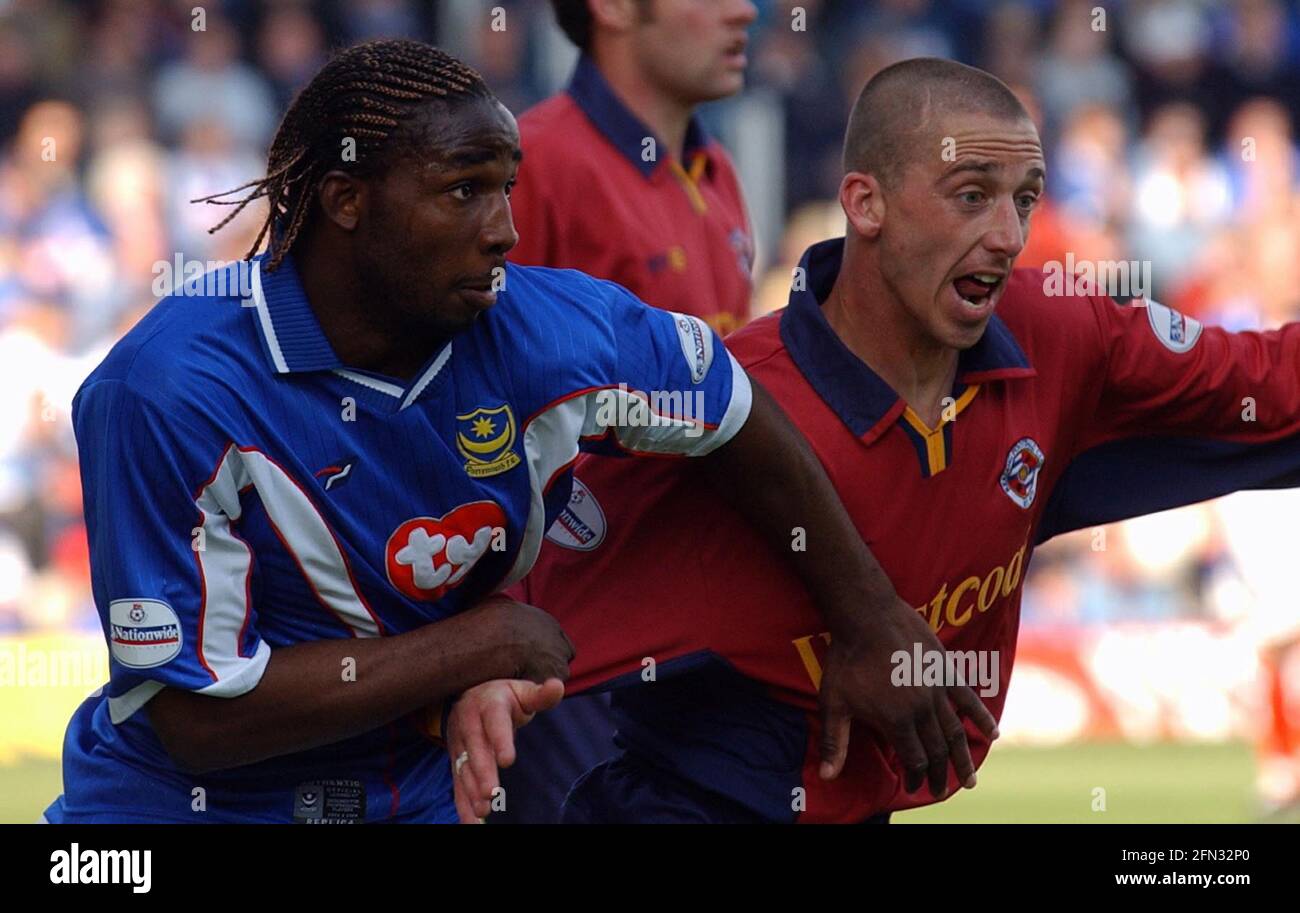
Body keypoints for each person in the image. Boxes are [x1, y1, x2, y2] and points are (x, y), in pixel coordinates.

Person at [43, 41, 974, 824]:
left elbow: (731, 411)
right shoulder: (166, 390)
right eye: (462, 192)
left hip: (417, 794)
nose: (503, 230)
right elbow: (194, 716)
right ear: (344, 199)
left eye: (506, 188)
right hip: (171, 802)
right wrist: (476, 649)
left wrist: (869, 616)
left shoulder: (550, 330)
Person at [453, 56, 1300, 822]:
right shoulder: (726, 408)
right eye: (972, 194)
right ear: (866, 203)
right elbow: (505, 588)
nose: (1009, 235)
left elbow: (1269, 379)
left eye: (1026, 199)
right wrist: (476, 671)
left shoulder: (1061, 336)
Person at [494, 0, 758, 822]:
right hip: (562, 640)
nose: (746, 9)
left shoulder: (719, 175)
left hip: (692, 629)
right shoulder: (532, 160)